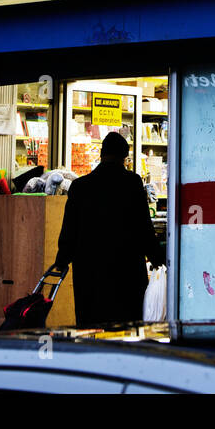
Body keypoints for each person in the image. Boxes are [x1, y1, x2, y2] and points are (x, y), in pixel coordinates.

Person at [53, 131, 164, 327]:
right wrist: (157, 258)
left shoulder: (80, 186)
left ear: (101, 154)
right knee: (126, 330)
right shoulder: (132, 183)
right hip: (126, 275)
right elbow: (144, 228)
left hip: (89, 275)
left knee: (90, 328)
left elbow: (69, 230)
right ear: (125, 157)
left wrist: (62, 261)